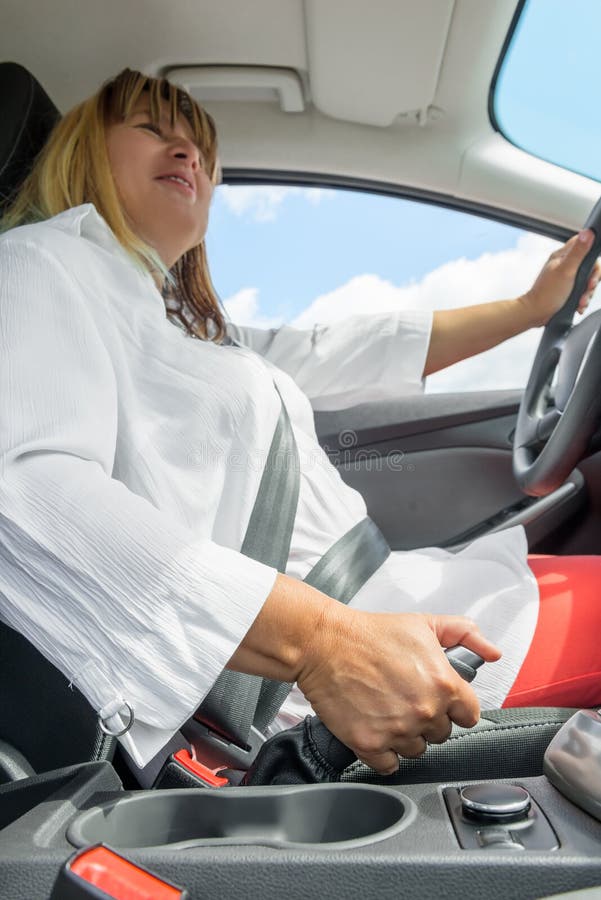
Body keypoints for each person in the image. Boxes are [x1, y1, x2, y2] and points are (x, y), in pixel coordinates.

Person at [1, 68, 600, 778]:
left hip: (396, 604)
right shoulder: (40, 261)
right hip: (317, 688)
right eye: (152, 129)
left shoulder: (189, 331)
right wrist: (323, 641)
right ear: (82, 150)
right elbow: (25, 491)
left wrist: (528, 309)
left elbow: (344, 348)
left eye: (202, 150)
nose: (188, 153)